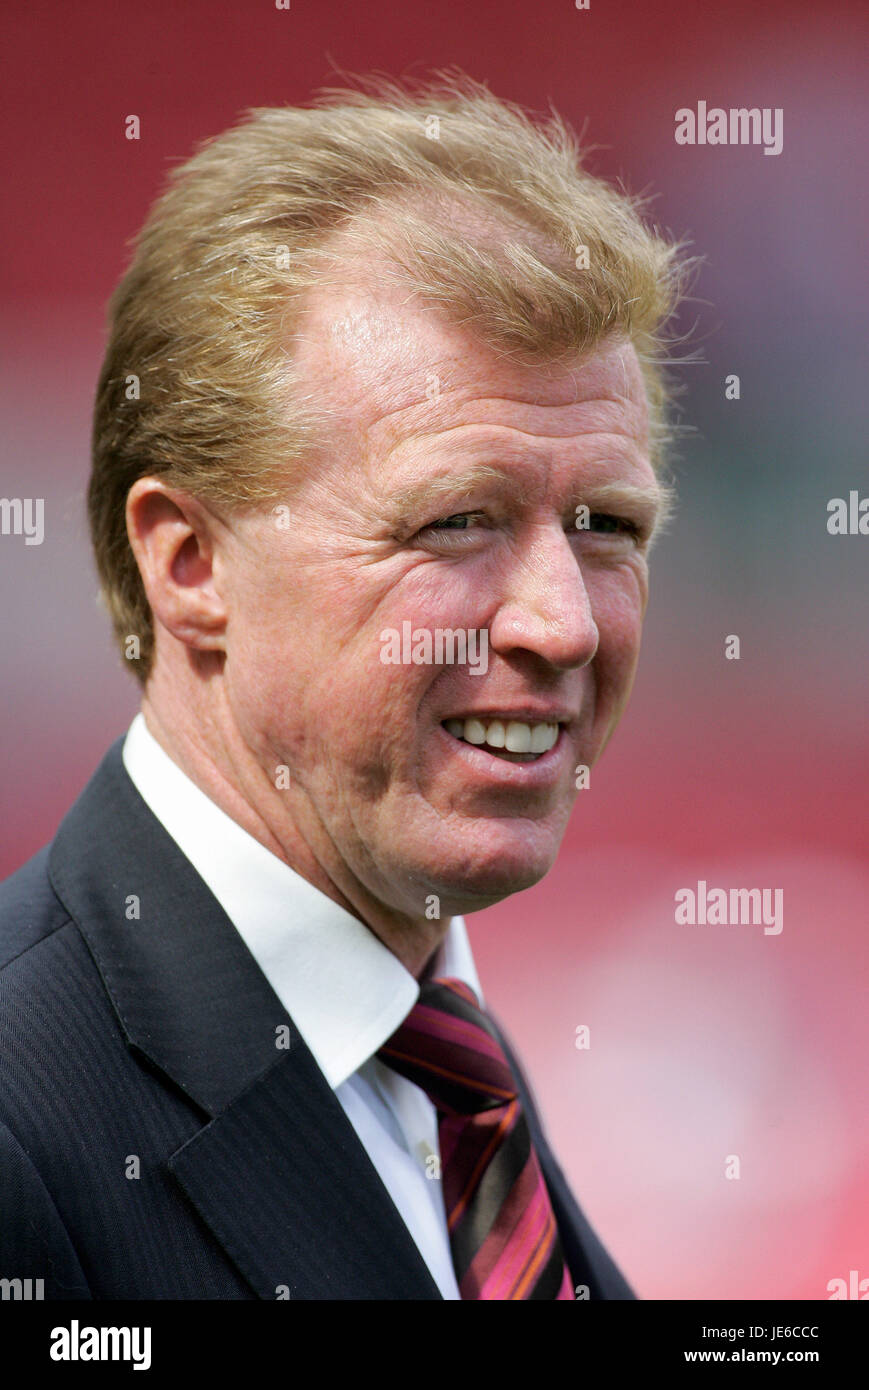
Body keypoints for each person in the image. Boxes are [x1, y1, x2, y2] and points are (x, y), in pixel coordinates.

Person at [0, 74, 684, 1300]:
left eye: (605, 524)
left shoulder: (439, 1073)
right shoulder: (22, 1131)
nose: (564, 622)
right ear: (190, 564)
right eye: (456, 521)